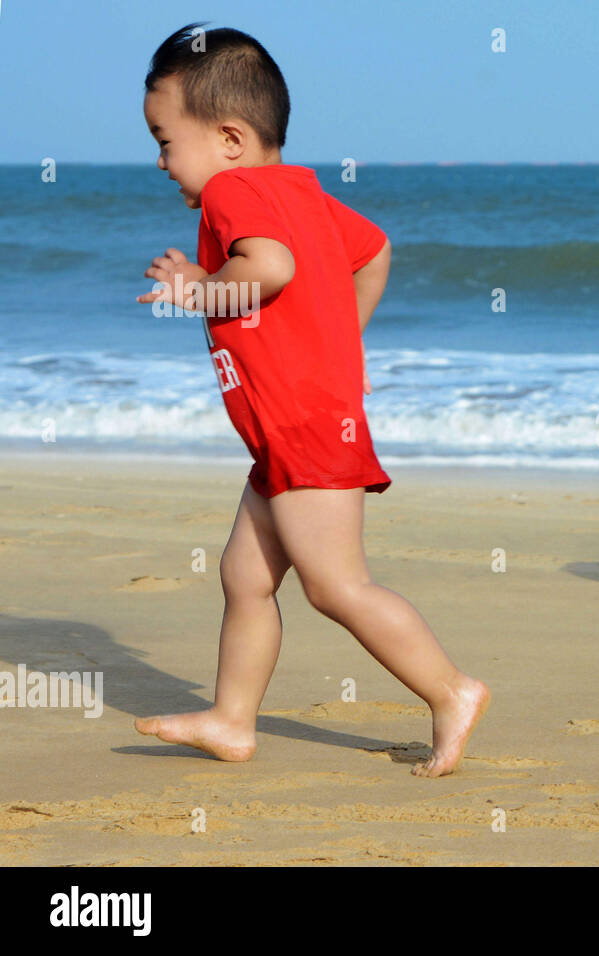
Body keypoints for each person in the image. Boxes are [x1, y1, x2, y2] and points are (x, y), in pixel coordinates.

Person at [133, 23, 489, 775]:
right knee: (245, 576)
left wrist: (198, 289)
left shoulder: (232, 193)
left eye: (166, 141)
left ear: (229, 138)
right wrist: (342, 350)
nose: (161, 161)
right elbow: (374, 249)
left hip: (300, 424)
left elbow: (271, 267)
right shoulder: (299, 188)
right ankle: (233, 720)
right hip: (288, 426)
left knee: (336, 586)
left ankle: (452, 690)